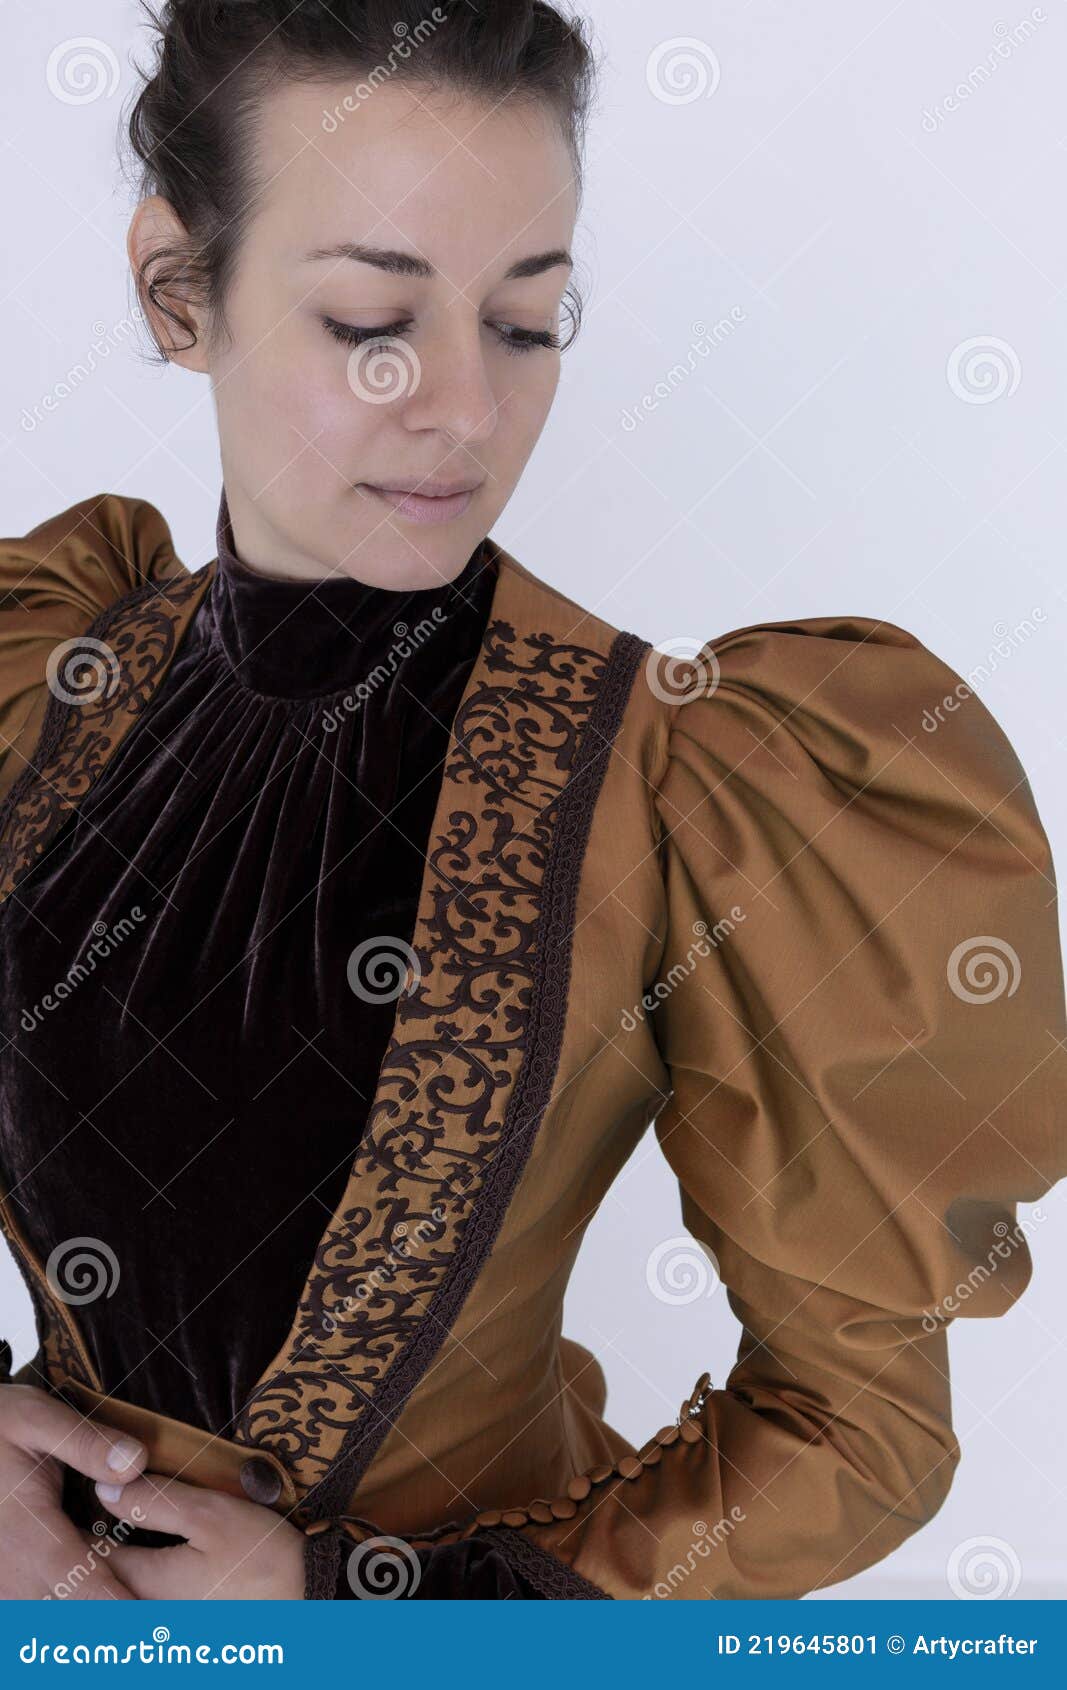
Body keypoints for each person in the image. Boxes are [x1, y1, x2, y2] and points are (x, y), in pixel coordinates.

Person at [1, 0, 1065, 1602]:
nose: (466, 412)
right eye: (375, 314)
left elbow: (860, 1433)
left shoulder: (695, 779)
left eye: (524, 322)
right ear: (177, 287)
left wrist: (359, 1609)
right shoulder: (49, 671)